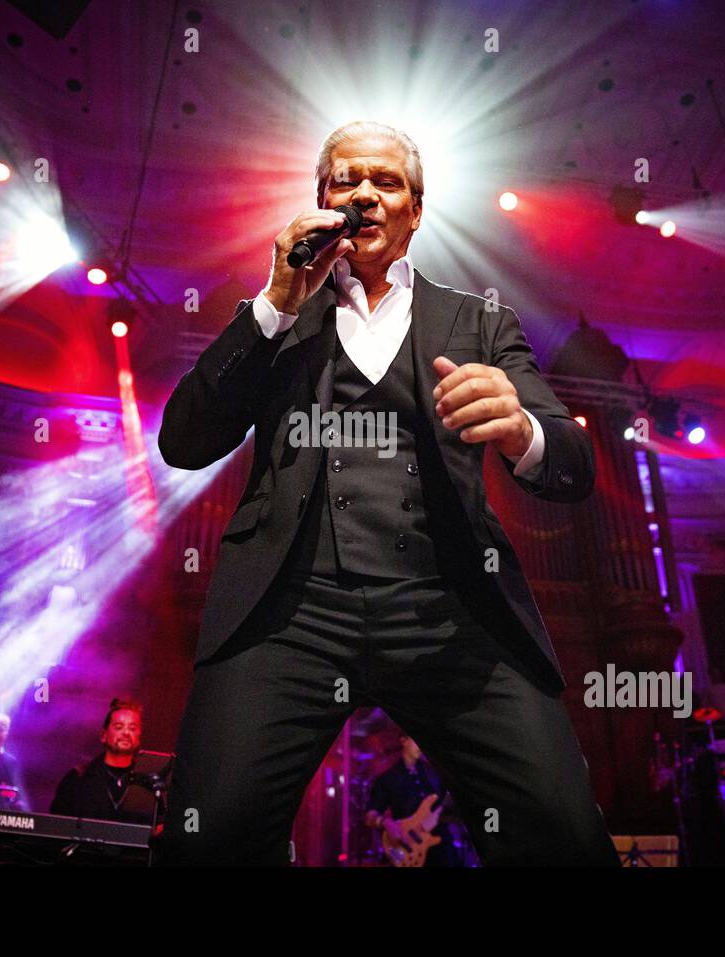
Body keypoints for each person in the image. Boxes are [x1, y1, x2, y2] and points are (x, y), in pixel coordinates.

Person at [156, 121, 614, 866]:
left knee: (561, 829)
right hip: (291, 610)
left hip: (448, 606)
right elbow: (183, 441)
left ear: (415, 210)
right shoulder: (279, 315)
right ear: (321, 202)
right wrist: (272, 303)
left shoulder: (480, 320)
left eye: (387, 181)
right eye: (346, 179)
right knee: (214, 829)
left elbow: (573, 463)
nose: (365, 192)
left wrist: (519, 425)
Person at [365, 734, 460, 866]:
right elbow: (370, 815)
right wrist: (386, 822)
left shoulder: (433, 773)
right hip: (407, 847)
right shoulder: (388, 778)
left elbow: (450, 808)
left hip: (441, 847)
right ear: (404, 740)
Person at [51, 699, 149, 822]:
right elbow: (56, 825)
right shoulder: (78, 778)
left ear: (139, 738)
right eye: (119, 727)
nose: (126, 733)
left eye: (132, 728)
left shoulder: (147, 782)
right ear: (104, 735)